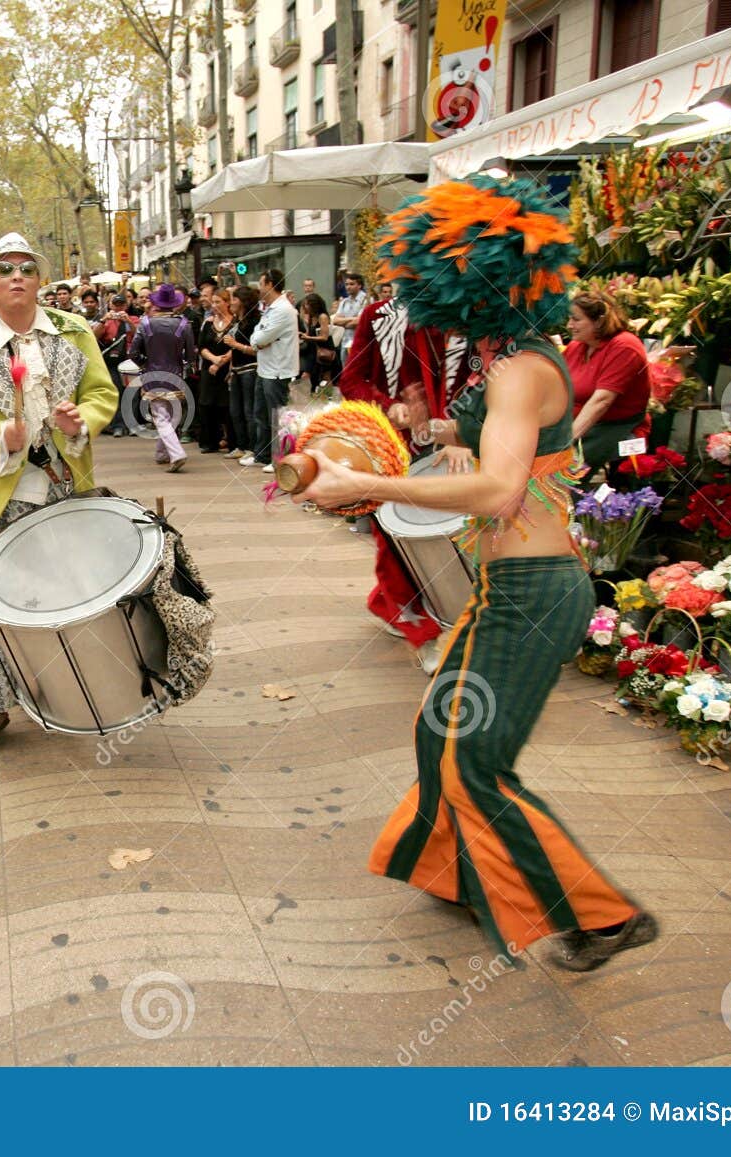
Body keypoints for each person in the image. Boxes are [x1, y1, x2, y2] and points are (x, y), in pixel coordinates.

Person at [297, 175, 656, 971]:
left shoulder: (518, 369)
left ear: (475, 280)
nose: (410, 291)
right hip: (507, 589)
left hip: (534, 595)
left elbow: (499, 489)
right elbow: (493, 445)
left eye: (423, 276)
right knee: (440, 731)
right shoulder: (514, 359)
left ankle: (599, 917)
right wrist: (401, 435)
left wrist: (370, 486)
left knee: (473, 759)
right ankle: (457, 873)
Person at [0, 232, 118, 758]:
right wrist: (1, 435)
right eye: (4, 269)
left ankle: (72, 695)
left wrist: (78, 420)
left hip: (65, 484)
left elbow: (102, 393)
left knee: (70, 590)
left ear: (40, 280)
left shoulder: (75, 333)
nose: (16, 276)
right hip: (0, 490)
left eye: (26, 268)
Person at [334, 288, 450, 672]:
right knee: (394, 538)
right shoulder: (376, 316)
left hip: (453, 443)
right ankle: (422, 629)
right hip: (393, 446)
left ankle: (392, 602)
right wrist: (390, 406)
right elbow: (351, 381)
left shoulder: (465, 311)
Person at [565, 290, 652, 472]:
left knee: (560, 471)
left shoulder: (625, 347)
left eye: (576, 319)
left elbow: (601, 401)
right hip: (580, 426)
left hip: (617, 429)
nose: (569, 325)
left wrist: (566, 441)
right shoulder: (576, 347)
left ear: (598, 321)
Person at [128, 283, 195, 473]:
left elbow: (133, 353)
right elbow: (190, 355)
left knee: (161, 417)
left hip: (153, 375)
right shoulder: (184, 324)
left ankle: (176, 453)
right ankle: (162, 453)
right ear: (174, 303)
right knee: (171, 416)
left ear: (157, 303)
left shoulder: (146, 323)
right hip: (176, 374)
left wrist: (144, 364)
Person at [247, 269, 298, 472]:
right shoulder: (270, 308)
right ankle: (262, 454)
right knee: (261, 414)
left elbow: (259, 339)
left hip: (278, 371)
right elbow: (256, 338)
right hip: (265, 368)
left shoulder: (283, 309)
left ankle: (280, 459)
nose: (259, 288)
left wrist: (259, 341)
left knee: (278, 417)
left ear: (269, 284)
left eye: (261, 283)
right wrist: (258, 341)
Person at [222, 285, 260, 460]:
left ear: (244, 301)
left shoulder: (254, 322)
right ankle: (240, 445)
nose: (232, 302)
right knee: (235, 411)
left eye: (235, 299)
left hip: (250, 370)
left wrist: (235, 344)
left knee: (248, 411)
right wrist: (230, 370)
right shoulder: (239, 321)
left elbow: (255, 349)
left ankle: (252, 448)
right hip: (236, 370)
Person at [195, 287, 233, 455]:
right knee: (206, 403)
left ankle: (230, 439)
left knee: (225, 405)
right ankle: (209, 441)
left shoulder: (234, 322)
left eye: (218, 302)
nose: (215, 305)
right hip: (208, 367)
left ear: (227, 303)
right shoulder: (208, 323)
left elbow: (235, 346)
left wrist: (221, 362)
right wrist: (213, 359)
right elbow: (201, 345)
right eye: (213, 302)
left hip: (227, 368)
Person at [96, 294, 137, 437]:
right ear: (111, 306)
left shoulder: (133, 319)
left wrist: (128, 322)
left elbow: (137, 334)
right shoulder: (106, 321)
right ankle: (117, 425)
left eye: (121, 305)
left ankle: (132, 424)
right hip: (112, 362)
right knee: (116, 392)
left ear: (126, 306)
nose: (118, 308)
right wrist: (104, 320)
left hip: (130, 362)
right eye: (116, 305)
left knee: (131, 393)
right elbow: (94, 336)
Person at [296, 293, 336, 397]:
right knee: (307, 374)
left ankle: (328, 396)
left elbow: (324, 337)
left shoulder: (322, 317)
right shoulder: (310, 317)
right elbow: (309, 333)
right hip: (313, 350)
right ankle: (309, 395)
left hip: (324, 349)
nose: (305, 307)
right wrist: (303, 335)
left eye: (307, 304)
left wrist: (308, 338)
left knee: (326, 376)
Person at [332, 271, 369, 361]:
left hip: (359, 343)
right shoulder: (345, 302)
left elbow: (359, 322)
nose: (348, 287)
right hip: (345, 342)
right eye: (347, 284)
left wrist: (344, 322)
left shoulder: (366, 299)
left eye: (352, 284)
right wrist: (352, 319)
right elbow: (335, 320)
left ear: (359, 285)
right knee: (345, 372)